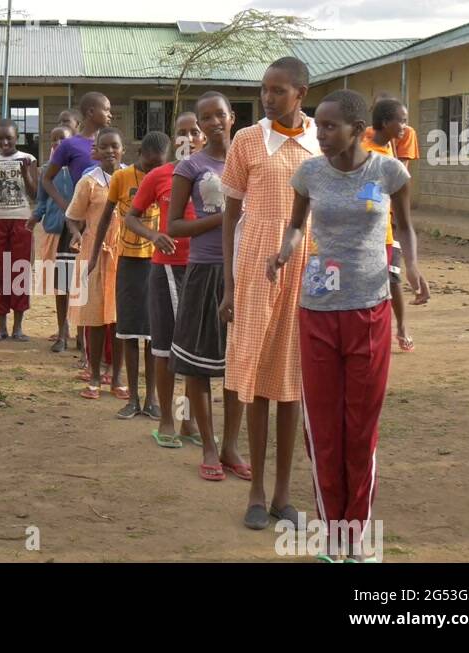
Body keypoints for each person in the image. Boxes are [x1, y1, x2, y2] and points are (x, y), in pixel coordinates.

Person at [269, 89, 421, 561]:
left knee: (360, 427)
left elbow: (407, 226)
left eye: (332, 126)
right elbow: (297, 225)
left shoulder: (390, 171)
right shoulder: (309, 172)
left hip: (370, 308)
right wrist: (285, 249)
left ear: (359, 129)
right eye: (321, 126)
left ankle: (356, 535)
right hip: (317, 307)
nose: (322, 133)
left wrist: (412, 265)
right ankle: (333, 532)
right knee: (323, 428)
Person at [220, 56, 319, 530]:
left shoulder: (323, 140)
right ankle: (256, 491)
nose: (268, 97)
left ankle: (284, 493)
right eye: (264, 90)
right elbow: (230, 216)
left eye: (279, 90)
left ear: (301, 93)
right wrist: (228, 283)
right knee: (257, 378)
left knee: (292, 380)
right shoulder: (246, 140)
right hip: (257, 266)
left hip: (306, 266)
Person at [168, 92, 248, 480]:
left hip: (245, 269)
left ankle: (233, 446)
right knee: (199, 365)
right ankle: (210, 448)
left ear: (232, 117)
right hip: (205, 270)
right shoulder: (191, 167)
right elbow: (175, 227)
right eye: (206, 118)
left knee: (238, 363)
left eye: (220, 114)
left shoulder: (251, 159)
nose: (214, 122)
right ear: (199, 125)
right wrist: (222, 219)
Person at [122, 115, 204, 448]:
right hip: (167, 269)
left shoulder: (217, 172)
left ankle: (189, 421)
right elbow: (131, 216)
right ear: (174, 139)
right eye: (182, 132)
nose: (188, 137)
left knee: (197, 350)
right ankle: (168, 420)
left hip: (205, 270)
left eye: (194, 132)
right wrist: (154, 235)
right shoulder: (160, 175)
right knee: (165, 347)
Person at [88, 131, 167, 417]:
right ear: (139, 155)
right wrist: (94, 255)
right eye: (150, 163)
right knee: (130, 331)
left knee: (155, 335)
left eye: (160, 165)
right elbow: (105, 218)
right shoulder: (122, 179)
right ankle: (133, 398)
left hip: (157, 264)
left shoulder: (167, 179)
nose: (154, 170)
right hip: (129, 263)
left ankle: (152, 399)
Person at [363, 97, 430, 352]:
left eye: (405, 120)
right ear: (383, 121)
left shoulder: (394, 152)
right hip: (373, 234)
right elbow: (368, 199)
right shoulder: (366, 152)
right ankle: (374, 337)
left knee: (392, 278)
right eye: (400, 120)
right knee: (374, 287)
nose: (405, 126)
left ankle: (400, 328)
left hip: (390, 231)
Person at [66, 127, 125, 400]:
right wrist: (78, 235)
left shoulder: (132, 178)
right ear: (97, 151)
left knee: (120, 318)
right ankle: (93, 373)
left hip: (125, 255)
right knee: (95, 317)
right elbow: (73, 216)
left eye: (115, 146)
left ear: (123, 150)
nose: (110, 151)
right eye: (105, 147)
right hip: (93, 255)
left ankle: (117, 375)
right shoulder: (88, 182)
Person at [0, 119, 38, 342]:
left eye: (9, 138)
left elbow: (35, 193)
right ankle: (1, 326)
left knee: (19, 271)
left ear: (17, 137)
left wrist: (25, 175)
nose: (4, 142)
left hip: (21, 220)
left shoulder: (28, 159)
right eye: (1, 138)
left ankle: (18, 327)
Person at [29, 125, 75, 352]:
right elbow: (41, 200)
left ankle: (83, 335)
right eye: (54, 140)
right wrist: (35, 217)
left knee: (79, 285)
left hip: (77, 233)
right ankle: (62, 332)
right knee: (61, 285)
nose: (57, 144)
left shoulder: (82, 168)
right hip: (56, 231)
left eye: (62, 140)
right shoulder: (47, 170)